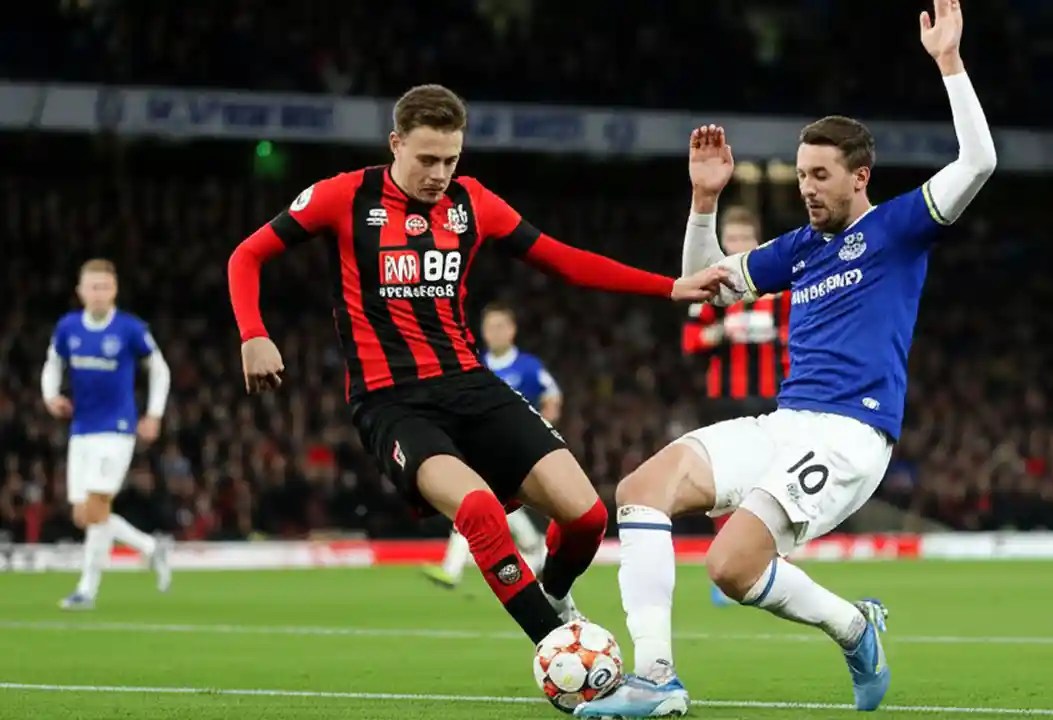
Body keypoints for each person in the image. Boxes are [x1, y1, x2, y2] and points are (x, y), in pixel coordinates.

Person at [575, 1, 997, 715]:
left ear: (859, 177)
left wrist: (949, 63)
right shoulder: (798, 250)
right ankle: (655, 678)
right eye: (802, 175)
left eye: (820, 176)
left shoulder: (897, 227)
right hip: (786, 420)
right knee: (641, 488)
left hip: (851, 434)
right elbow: (703, 289)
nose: (806, 187)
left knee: (730, 566)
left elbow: (979, 162)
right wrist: (704, 202)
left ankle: (854, 628)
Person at [226, 84, 728, 646]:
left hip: (472, 386)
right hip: (393, 402)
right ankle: (554, 646)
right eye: (426, 159)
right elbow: (247, 254)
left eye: (450, 159)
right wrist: (254, 334)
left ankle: (555, 595)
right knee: (480, 511)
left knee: (587, 518)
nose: (439, 173)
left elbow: (563, 261)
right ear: (396, 144)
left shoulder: (473, 203)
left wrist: (669, 287)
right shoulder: (344, 197)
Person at [42, 259, 174, 610]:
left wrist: (154, 414)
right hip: (81, 428)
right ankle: (150, 547)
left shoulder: (129, 329)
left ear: (114, 290)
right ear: (80, 291)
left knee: (97, 508)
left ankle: (87, 590)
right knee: (83, 515)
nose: (98, 293)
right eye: (92, 286)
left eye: (105, 286)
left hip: (117, 429)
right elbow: (52, 362)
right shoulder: (68, 327)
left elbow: (159, 369)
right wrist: (51, 395)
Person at [681, 206, 790, 607]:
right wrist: (724, 330)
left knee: (771, 481)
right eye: (733, 239)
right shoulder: (713, 287)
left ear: (757, 242)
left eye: (746, 239)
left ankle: (773, 560)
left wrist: (771, 334)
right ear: (724, 242)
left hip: (771, 397)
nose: (739, 245)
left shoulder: (780, 291)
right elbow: (691, 341)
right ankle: (728, 569)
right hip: (723, 397)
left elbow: (798, 337)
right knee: (727, 484)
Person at [423, 301, 560, 588]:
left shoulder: (529, 366)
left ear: (512, 330)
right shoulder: (475, 364)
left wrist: (542, 427)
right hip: (482, 449)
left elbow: (552, 396)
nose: (495, 333)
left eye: (501, 326)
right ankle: (534, 555)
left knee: (480, 505)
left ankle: (455, 569)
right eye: (490, 327)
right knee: (482, 504)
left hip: (518, 448)